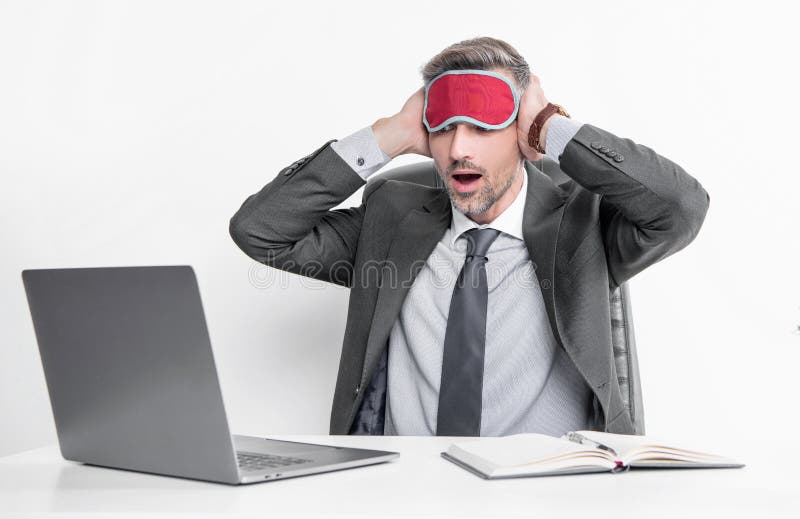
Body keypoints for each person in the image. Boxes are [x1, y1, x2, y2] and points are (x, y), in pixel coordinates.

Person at [229, 36, 709, 437]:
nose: (459, 148)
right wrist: (388, 135)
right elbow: (261, 231)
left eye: (481, 126)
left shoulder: (587, 225)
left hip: (550, 495)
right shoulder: (391, 223)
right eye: (444, 128)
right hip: (401, 494)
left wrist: (553, 127)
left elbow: (681, 208)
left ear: (522, 134)